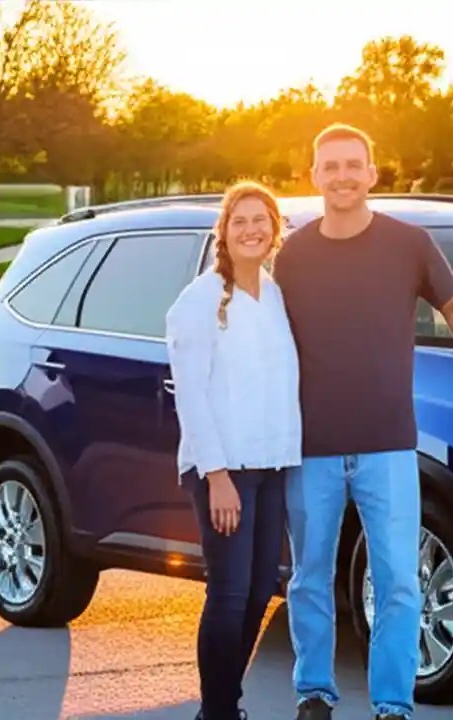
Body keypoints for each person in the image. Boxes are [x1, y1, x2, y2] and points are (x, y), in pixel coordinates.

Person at [272, 123, 453, 720]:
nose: (344, 175)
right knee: (309, 578)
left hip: (388, 446)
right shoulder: (293, 255)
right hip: (311, 447)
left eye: (355, 164)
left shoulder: (409, 243)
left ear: (373, 172)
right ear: (315, 175)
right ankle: (314, 693)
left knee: (399, 581)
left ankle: (393, 704)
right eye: (332, 166)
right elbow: (263, 340)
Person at [164, 180, 301, 720]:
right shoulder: (198, 300)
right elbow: (191, 395)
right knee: (227, 592)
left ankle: (223, 706)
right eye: (239, 221)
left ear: (274, 230)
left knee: (260, 589)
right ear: (223, 231)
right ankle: (219, 711)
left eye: (260, 220)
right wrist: (216, 473)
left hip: (272, 466)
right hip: (224, 470)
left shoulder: (275, 294)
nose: (251, 230)